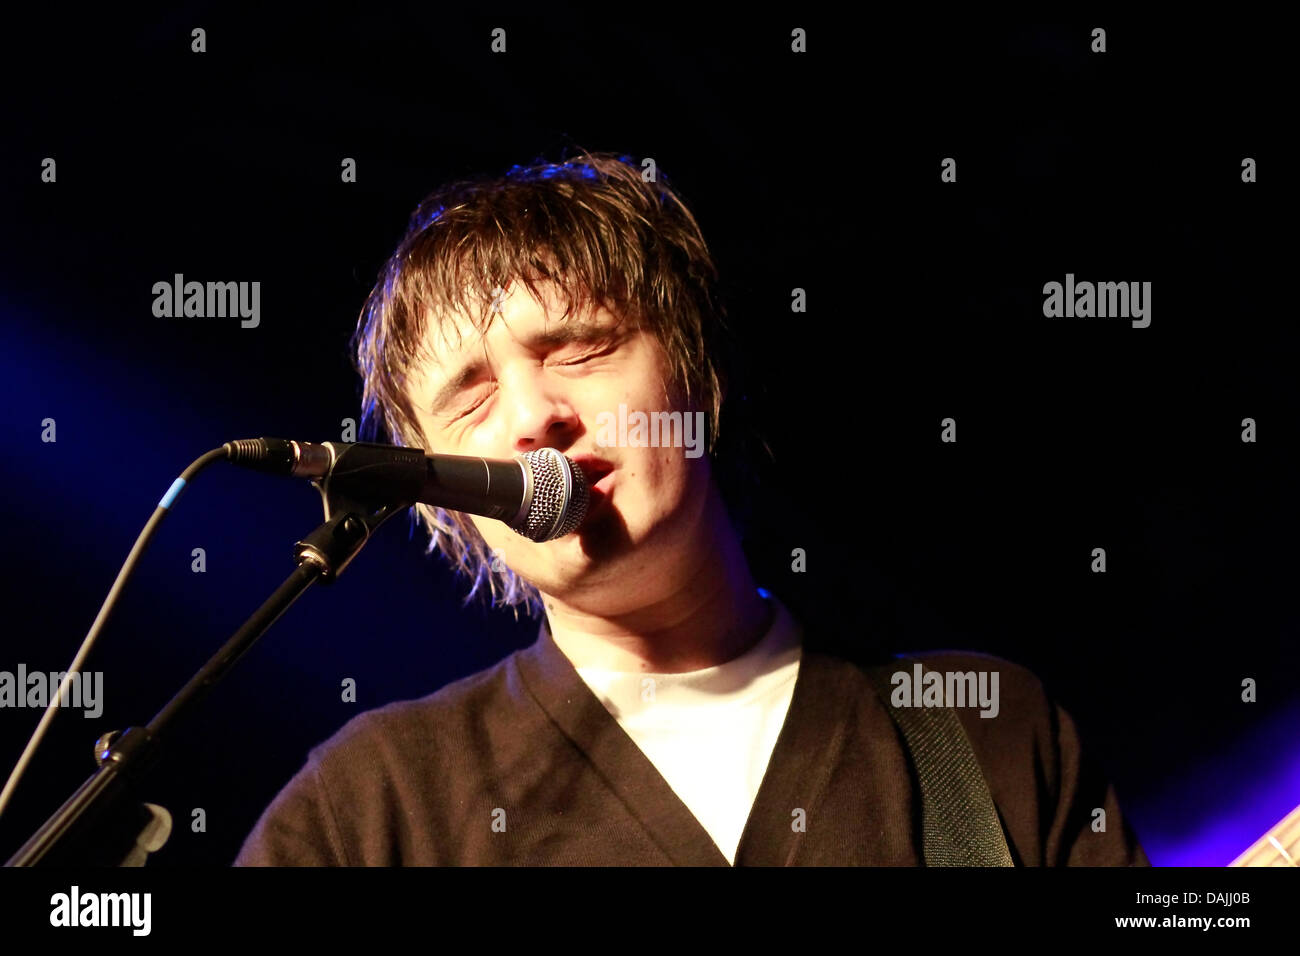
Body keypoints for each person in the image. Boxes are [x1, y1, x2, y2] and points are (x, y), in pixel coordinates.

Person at [233, 150, 1149, 866]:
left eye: (580, 350)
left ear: (696, 384)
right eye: (468, 401)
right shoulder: (369, 810)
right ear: (440, 496)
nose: (531, 417)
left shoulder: (978, 726)